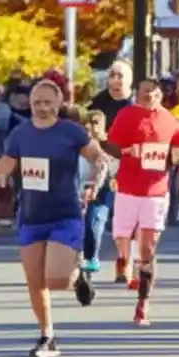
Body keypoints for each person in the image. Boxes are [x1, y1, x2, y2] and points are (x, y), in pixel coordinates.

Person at [0, 81, 107, 357]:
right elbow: (6, 163)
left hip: (65, 213)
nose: (42, 108)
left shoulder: (71, 132)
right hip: (32, 215)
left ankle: (77, 277)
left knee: (56, 278)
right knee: (36, 281)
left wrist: (99, 173)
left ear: (58, 104)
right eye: (37, 103)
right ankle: (47, 336)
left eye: (47, 103)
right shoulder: (21, 134)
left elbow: (97, 156)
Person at [105, 78, 179, 325]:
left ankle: (143, 304)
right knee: (122, 238)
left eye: (154, 93)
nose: (150, 97)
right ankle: (124, 258)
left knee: (148, 248)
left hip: (156, 191)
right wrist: (127, 151)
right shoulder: (126, 116)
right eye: (145, 92)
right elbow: (111, 147)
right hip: (128, 188)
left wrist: (176, 155)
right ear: (137, 94)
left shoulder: (172, 121)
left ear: (160, 95)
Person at [79, 110, 114, 274]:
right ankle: (82, 257)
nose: (91, 127)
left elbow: (111, 166)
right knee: (83, 225)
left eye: (95, 123)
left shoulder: (109, 145)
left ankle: (92, 256)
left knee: (95, 223)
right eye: (87, 123)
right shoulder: (80, 144)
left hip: (103, 191)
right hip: (82, 189)